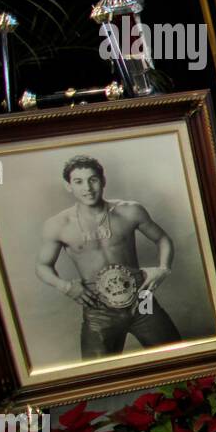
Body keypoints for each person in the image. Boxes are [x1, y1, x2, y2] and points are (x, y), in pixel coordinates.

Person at [35, 154, 181, 359]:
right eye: (78, 182)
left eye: (93, 179)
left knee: (176, 359)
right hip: (98, 311)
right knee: (97, 379)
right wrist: (66, 287)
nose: (87, 188)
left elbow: (163, 239)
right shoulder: (59, 225)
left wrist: (163, 269)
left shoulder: (130, 211)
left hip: (142, 300)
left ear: (103, 181)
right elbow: (42, 266)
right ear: (69, 186)